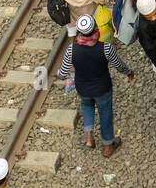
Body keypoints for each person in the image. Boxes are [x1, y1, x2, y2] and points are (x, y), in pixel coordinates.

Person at [56, 14, 132, 158]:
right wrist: (129, 73)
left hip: (82, 88)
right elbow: (119, 65)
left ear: (79, 32)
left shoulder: (72, 50)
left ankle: (89, 137)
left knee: (86, 105)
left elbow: (63, 72)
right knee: (105, 113)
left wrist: (59, 74)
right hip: (102, 88)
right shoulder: (106, 48)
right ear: (96, 28)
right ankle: (108, 146)